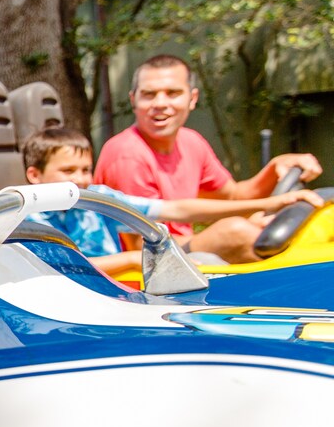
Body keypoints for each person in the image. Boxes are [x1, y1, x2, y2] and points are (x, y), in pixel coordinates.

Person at [94, 54, 322, 262]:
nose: (160, 104)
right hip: (137, 278)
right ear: (133, 99)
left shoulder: (191, 141)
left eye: (172, 93)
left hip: (179, 257)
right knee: (236, 232)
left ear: (192, 98)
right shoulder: (126, 154)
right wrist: (226, 234)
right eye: (149, 94)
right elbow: (140, 246)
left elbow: (232, 197)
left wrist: (275, 168)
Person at [24, 127, 322, 277]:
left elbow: (177, 208)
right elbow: (57, 266)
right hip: (84, 295)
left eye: (85, 170)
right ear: (35, 175)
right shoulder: (27, 217)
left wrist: (272, 203)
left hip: (124, 286)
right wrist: (131, 260)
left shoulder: (96, 197)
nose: (81, 179)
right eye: (68, 171)